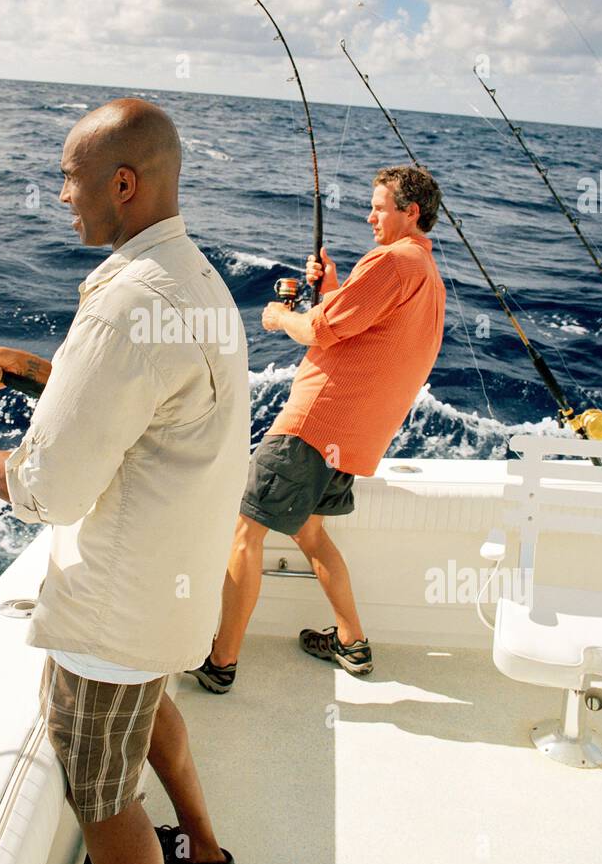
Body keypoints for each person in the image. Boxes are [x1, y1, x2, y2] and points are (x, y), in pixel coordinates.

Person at [0, 98, 250, 864]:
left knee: (101, 793)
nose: (61, 197)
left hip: (117, 610)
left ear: (121, 184)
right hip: (176, 587)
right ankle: (204, 846)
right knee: (151, 706)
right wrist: (39, 369)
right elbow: (152, 399)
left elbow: (43, 491)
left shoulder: (127, 302)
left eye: (69, 178)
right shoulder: (195, 281)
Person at [188, 164, 445, 693]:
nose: (370, 215)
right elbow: (359, 325)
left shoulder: (393, 260)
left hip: (313, 423)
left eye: (379, 206)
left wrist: (280, 315)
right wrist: (331, 286)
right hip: (350, 440)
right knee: (309, 532)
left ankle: (221, 662)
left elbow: (321, 331)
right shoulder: (427, 273)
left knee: (245, 532)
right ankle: (352, 641)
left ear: (410, 212)